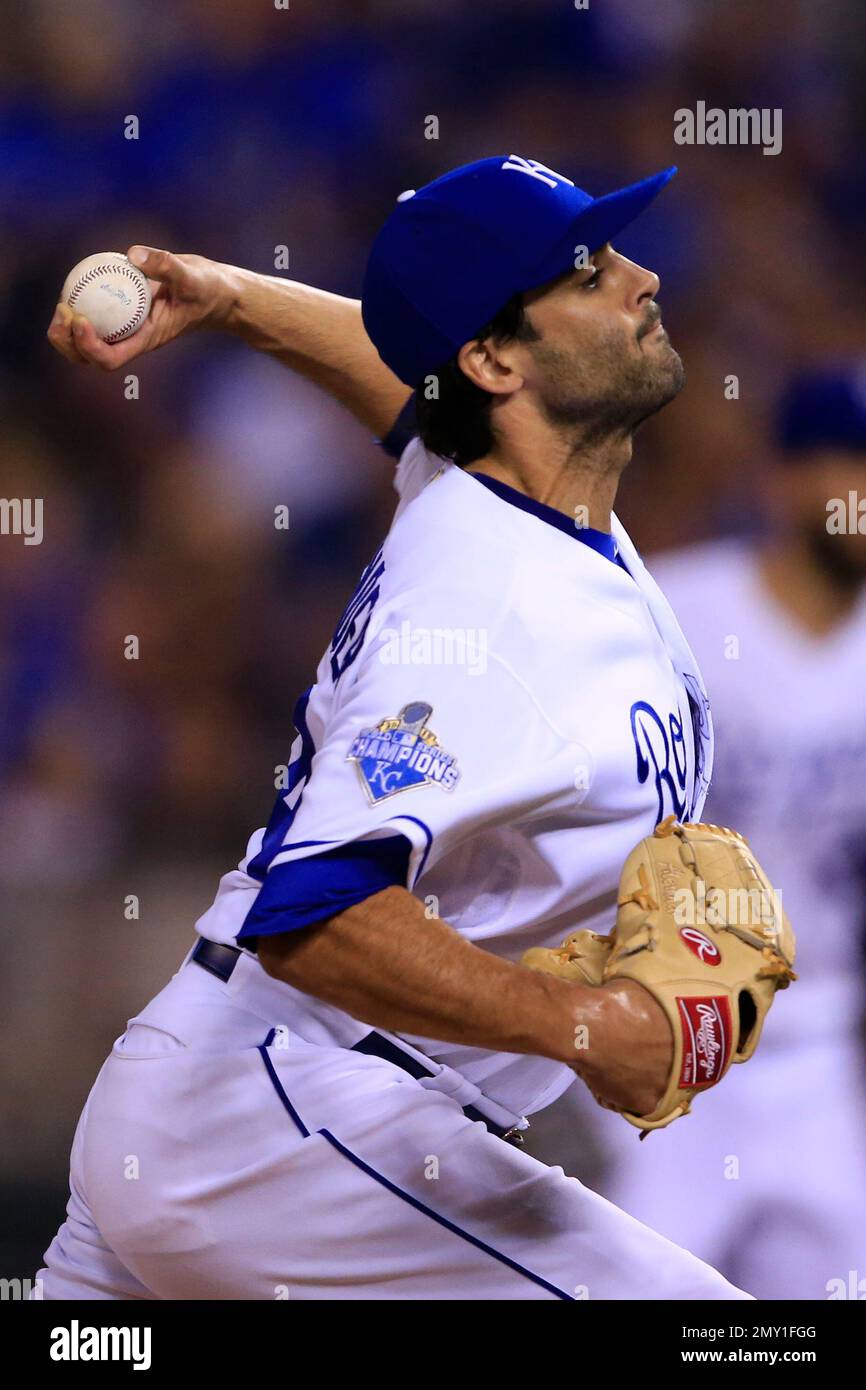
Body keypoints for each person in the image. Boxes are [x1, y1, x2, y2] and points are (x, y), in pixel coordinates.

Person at [39, 155, 750, 1299]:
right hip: (283, 1115)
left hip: (225, 1106)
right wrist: (584, 1025)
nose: (641, 276)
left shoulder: (490, 489)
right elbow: (316, 914)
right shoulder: (486, 601)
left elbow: (406, 388)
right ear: (493, 358)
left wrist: (229, 295)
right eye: (586, 269)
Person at [573, 364, 866, 1300]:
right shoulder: (678, 618)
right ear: (783, 479)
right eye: (851, 466)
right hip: (677, 1043)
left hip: (832, 1054)